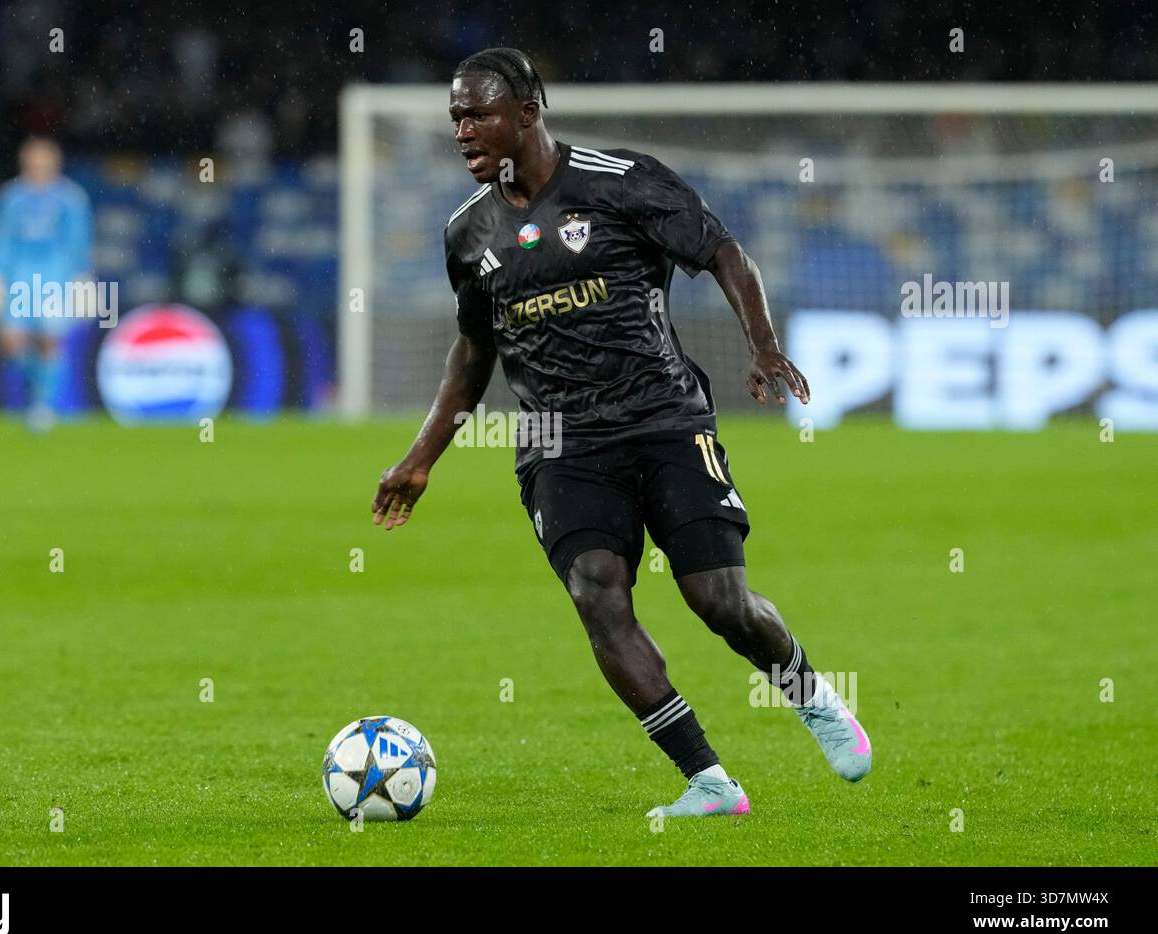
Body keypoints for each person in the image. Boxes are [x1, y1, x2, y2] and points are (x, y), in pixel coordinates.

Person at [372, 48, 871, 817]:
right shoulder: (468, 235)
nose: (463, 131)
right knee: (597, 593)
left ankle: (812, 700)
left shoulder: (622, 180)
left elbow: (723, 252)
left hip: (664, 419)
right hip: (561, 447)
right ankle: (708, 780)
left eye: (478, 115)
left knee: (719, 600)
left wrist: (764, 344)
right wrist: (420, 458)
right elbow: (474, 352)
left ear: (528, 113)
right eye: (455, 118)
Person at [0, 135, 93, 431]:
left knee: (49, 341)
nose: (39, 165)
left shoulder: (71, 198)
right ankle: (38, 389)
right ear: (24, 162)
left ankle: (43, 408)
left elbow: (79, 243)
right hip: (19, 275)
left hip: (56, 275)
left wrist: (83, 279)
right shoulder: (11, 197)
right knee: (11, 342)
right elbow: (1, 239)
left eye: (45, 160)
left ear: (56, 163)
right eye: (34, 160)